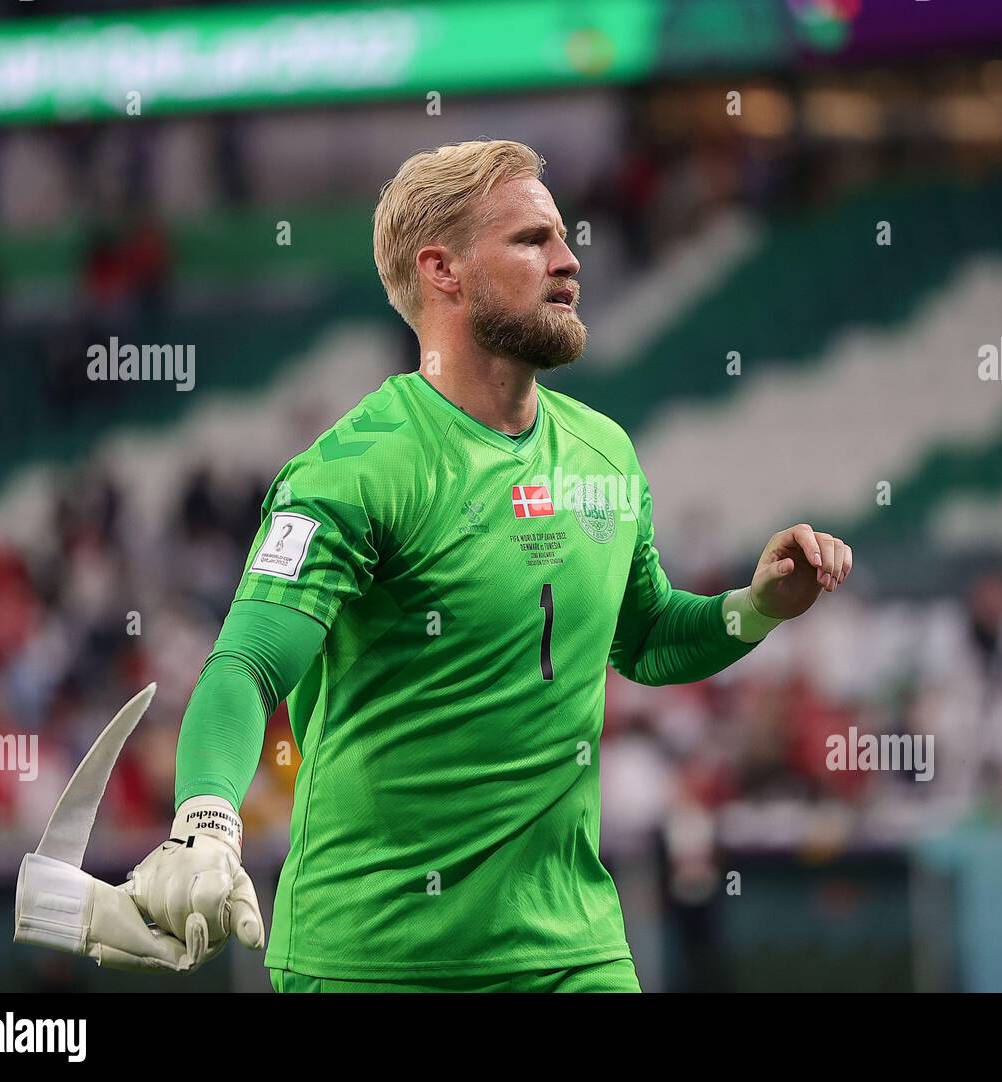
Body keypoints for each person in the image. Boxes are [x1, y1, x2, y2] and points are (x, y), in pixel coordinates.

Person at [131, 139, 853, 993]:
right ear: (444, 271)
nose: (569, 258)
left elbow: (648, 640)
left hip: (572, 952)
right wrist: (206, 823)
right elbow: (245, 667)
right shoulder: (354, 467)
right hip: (374, 960)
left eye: (563, 236)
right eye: (531, 240)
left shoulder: (605, 455)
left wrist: (755, 607)